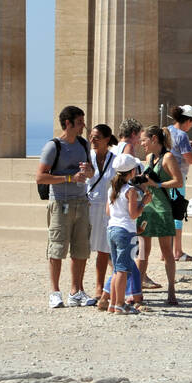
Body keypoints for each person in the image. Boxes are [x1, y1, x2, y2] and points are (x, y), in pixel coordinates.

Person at [36, 106, 95, 309]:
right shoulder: (53, 146)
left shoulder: (83, 144)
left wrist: (89, 171)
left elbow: (91, 172)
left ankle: (76, 291)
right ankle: (54, 292)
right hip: (60, 203)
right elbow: (40, 176)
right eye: (79, 122)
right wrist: (69, 177)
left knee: (81, 249)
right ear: (68, 123)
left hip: (81, 202)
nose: (83, 126)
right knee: (57, 248)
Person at [137, 126, 184, 306]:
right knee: (143, 251)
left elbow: (178, 181)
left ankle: (171, 291)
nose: (142, 144)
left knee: (166, 251)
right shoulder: (149, 158)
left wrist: (156, 184)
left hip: (163, 207)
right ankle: (137, 292)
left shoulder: (168, 157)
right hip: (147, 206)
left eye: (144, 140)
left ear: (154, 139)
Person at [105, 152, 150, 315]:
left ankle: (113, 303)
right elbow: (133, 214)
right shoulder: (130, 190)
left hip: (112, 229)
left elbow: (108, 211)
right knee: (123, 270)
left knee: (117, 269)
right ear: (131, 172)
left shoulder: (112, 188)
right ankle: (119, 304)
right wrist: (143, 203)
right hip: (125, 231)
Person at [167, 105, 192, 263]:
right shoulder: (182, 135)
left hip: (165, 176)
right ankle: (177, 251)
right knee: (177, 215)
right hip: (178, 178)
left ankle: (167, 251)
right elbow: (189, 159)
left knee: (168, 214)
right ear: (188, 120)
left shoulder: (167, 130)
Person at [85, 124, 118, 298]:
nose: (92, 140)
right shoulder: (87, 157)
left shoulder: (115, 160)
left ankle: (99, 287)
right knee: (82, 247)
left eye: (96, 137)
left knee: (104, 249)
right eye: (91, 136)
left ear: (106, 139)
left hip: (106, 208)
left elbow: (119, 184)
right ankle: (79, 287)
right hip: (88, 206)